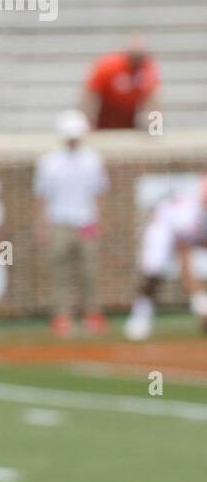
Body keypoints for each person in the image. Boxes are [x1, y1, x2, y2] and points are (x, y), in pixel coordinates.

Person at [33, 109, 109, 336]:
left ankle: (92, 313)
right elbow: (42, 196)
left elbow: (100, 192)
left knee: (89, 271)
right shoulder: (49, 162)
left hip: (86, 221)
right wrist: (41, 225)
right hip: (60, 221)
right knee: (60, 272)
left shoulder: (92, 159)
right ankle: (62, 315)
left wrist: (101, 220)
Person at [124, 174, 207, 341]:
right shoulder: (190, 211)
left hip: (180, 237)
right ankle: (140, 317)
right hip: (161, 232)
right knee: (153, 273)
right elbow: (183, 252)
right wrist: (200, 302)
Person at [83, 38, 159, 131]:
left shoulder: (147, 69)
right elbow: (90, 94)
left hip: (130, 122)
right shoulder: (109, 66)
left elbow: (152, 99)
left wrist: (153, 125)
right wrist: (87, 121)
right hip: (104, 120)